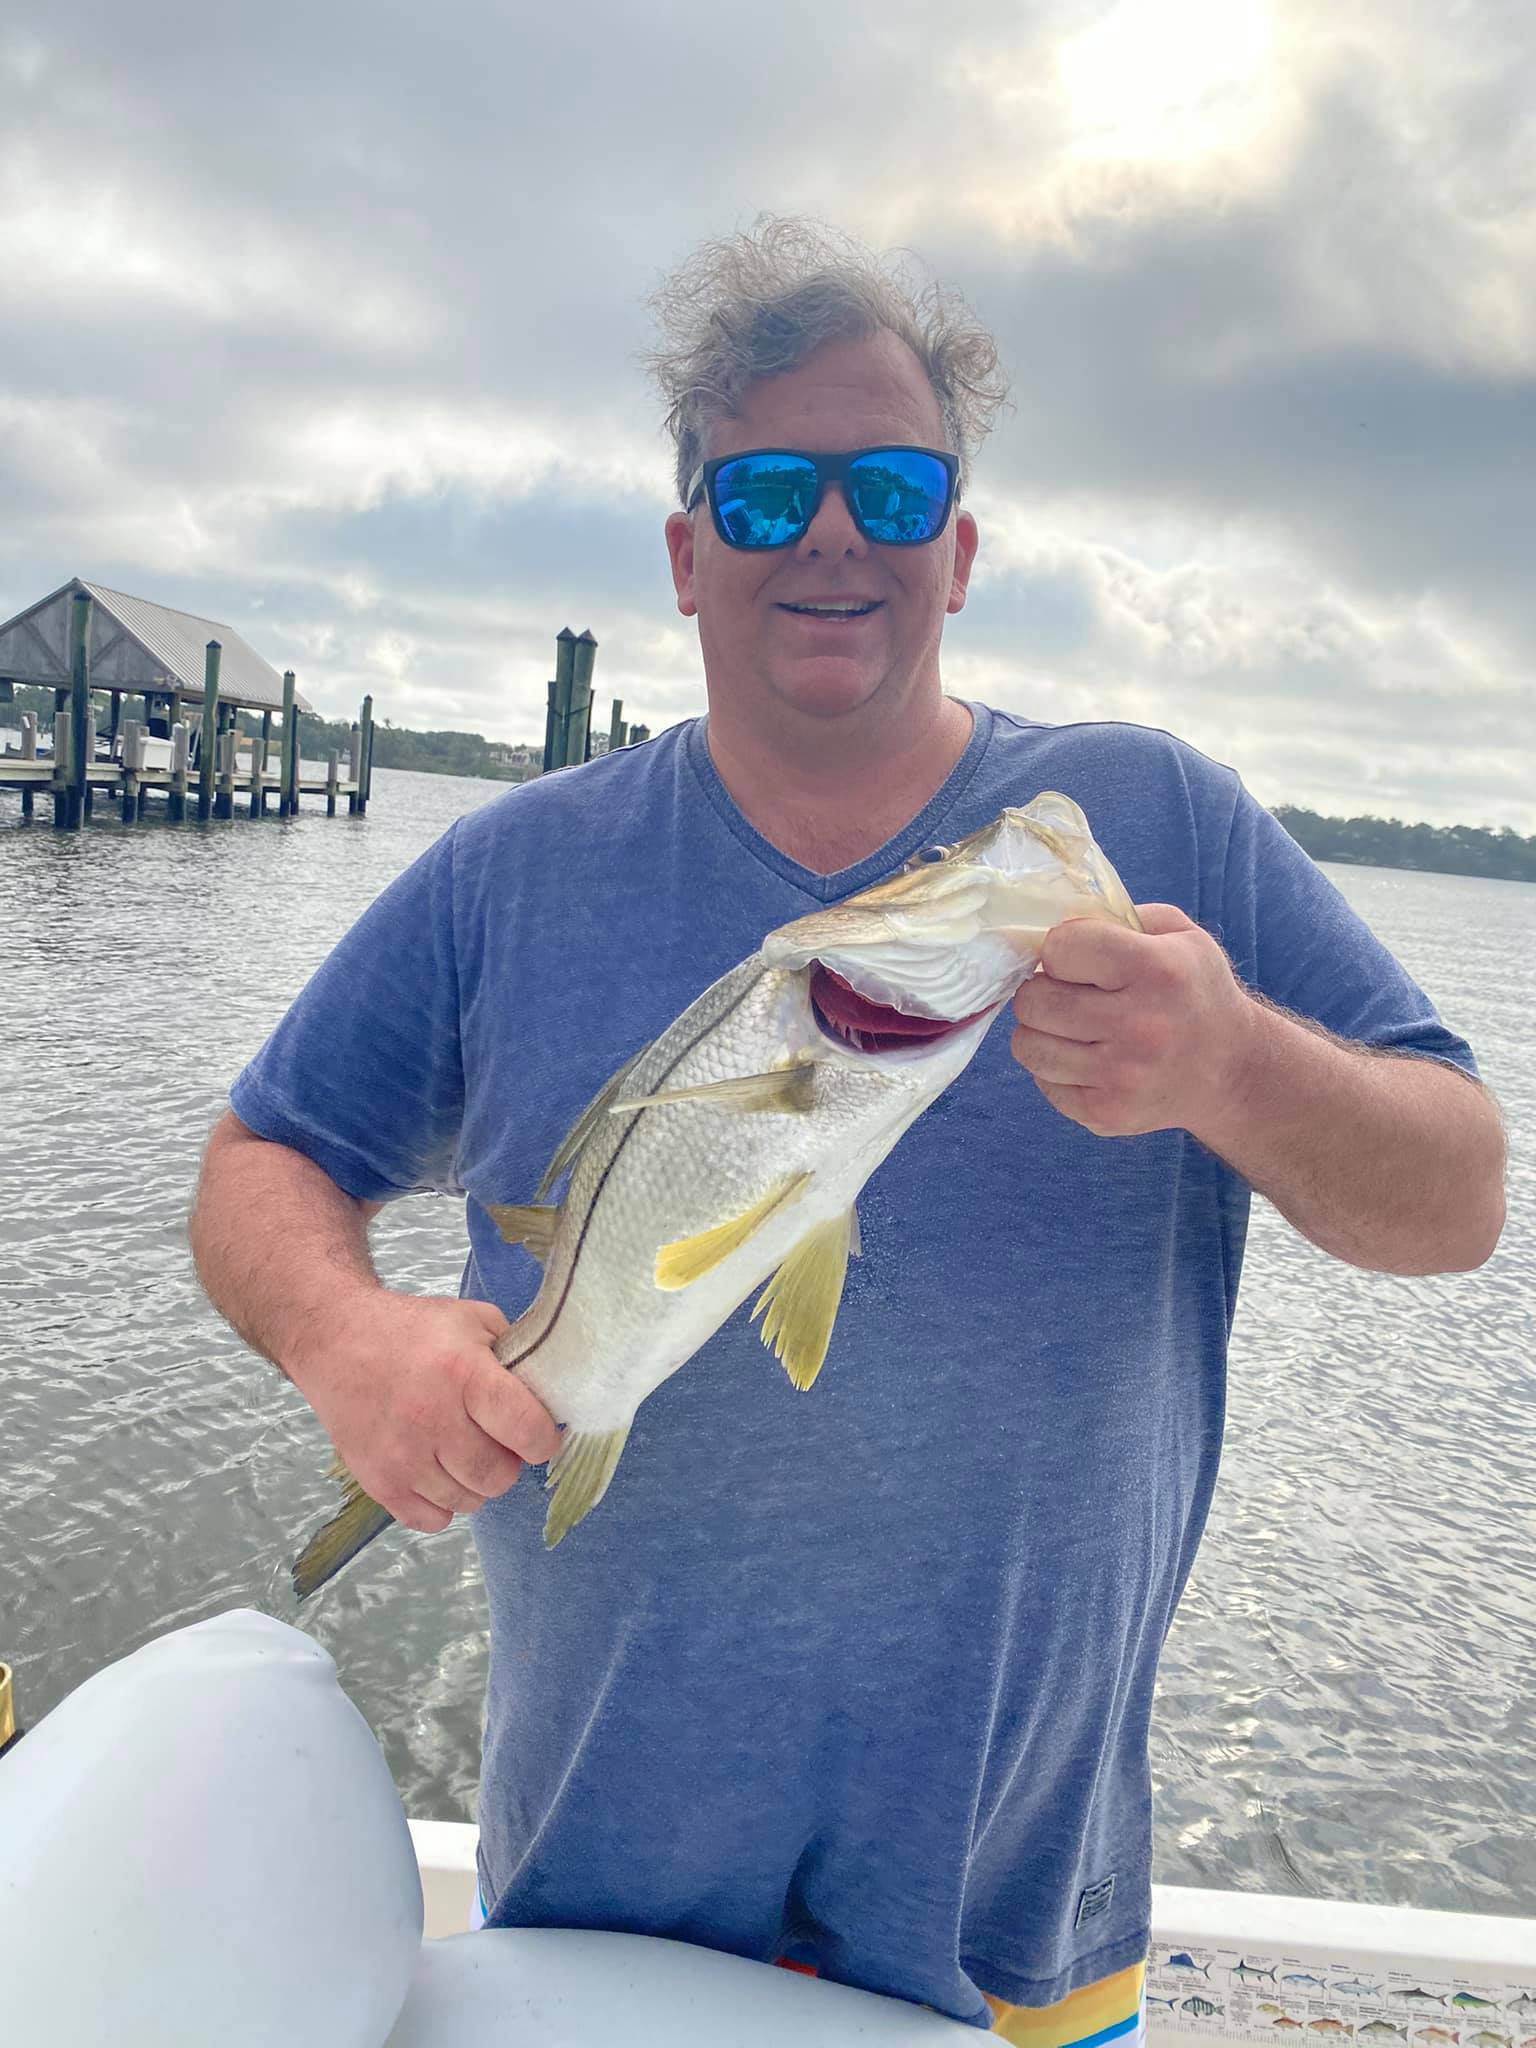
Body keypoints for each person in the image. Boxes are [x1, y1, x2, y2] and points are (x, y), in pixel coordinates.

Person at [189, 218, 1506, 2041]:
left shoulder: (1154, 823)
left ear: (958, 551)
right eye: (764, 494)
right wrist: (350, 1334)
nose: (829, 535)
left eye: (892, 490)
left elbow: (1457, 1196)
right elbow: (265, 1155)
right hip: (595, 1908)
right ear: (683, 553)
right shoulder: (508, 872)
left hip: (1015, 1918)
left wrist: (1236, 1072)